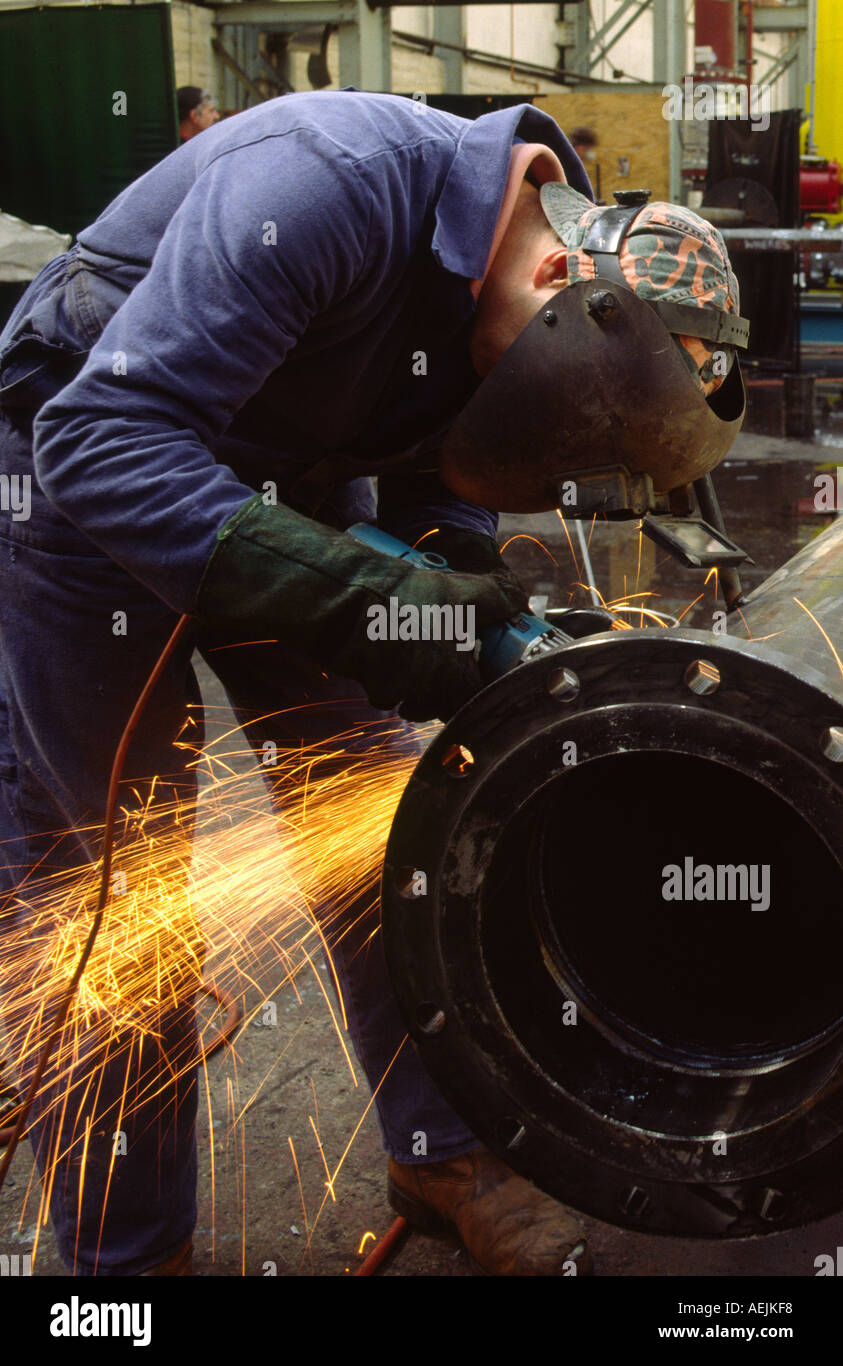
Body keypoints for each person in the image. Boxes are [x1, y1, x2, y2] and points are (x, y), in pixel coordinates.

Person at [0, 89, 746, 1277]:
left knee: (381, 828)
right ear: (561, 276)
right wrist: (365, 606)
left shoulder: (523, 297)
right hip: (87, 457)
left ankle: (438, 1146)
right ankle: (125, 1260)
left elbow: (444, 470)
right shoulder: (323, 183)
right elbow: (108, 439)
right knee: (112, 885)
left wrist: (447, 584)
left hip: (290, 473)